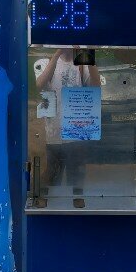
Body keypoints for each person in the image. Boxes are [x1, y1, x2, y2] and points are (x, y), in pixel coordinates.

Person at [35, 47, 101, 190]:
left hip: (77, 133)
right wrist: (58, 52)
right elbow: (40, 84)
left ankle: (76, 207)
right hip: (54, 133)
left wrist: (86, 53)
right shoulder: (45, 61)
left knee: (76, 180)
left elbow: (96, 86)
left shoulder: (82, 65)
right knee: (52, 179)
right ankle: (52, 209)